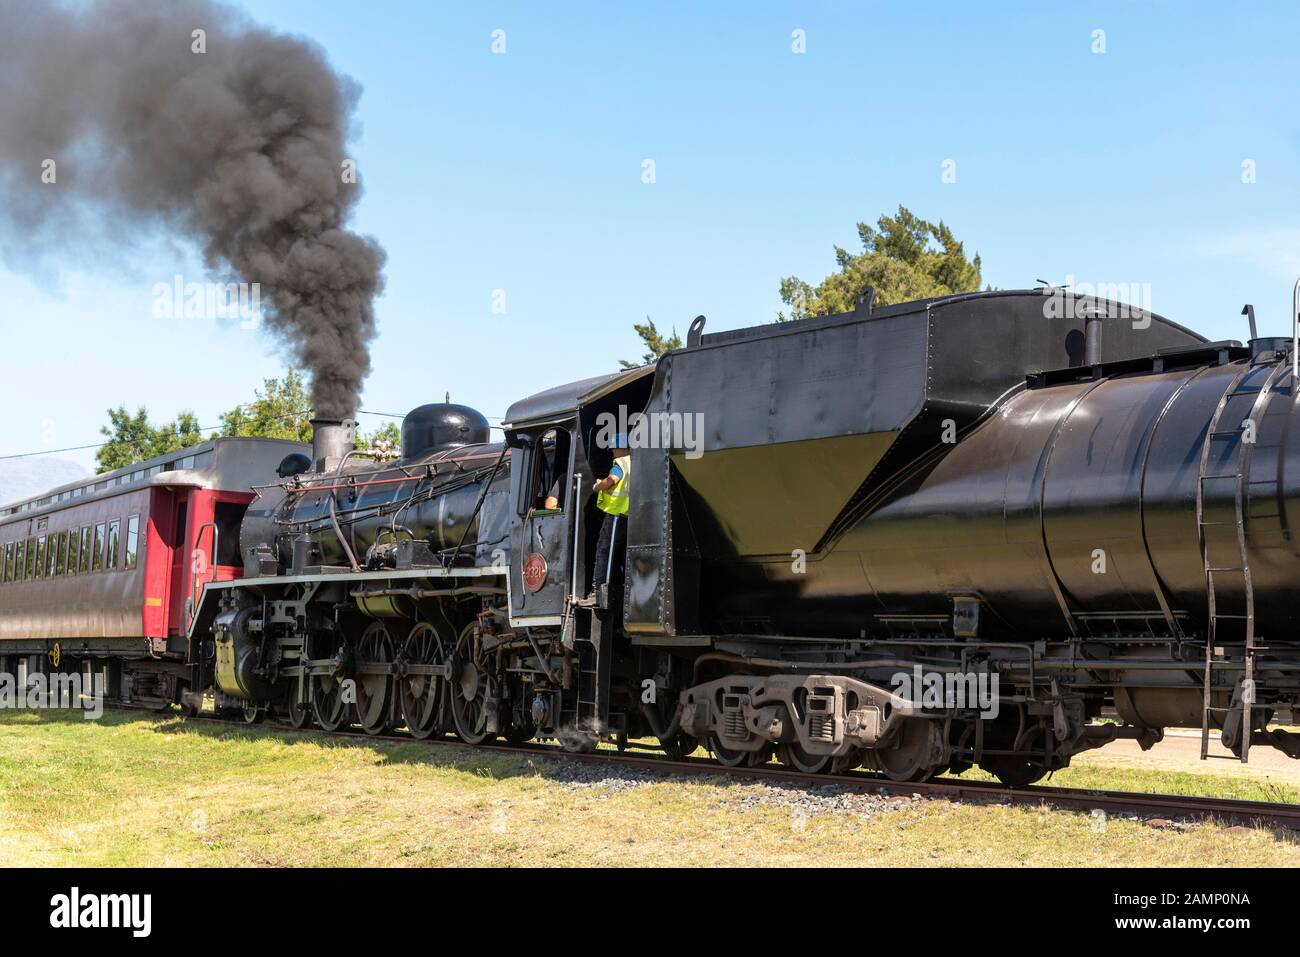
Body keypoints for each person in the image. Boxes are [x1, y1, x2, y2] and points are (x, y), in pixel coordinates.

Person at [590, 434, 631, 602]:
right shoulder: (634, 463)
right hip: (629, 514)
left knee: (603, 550)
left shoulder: (620, 463)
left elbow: (611, 480)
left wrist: (597, 486)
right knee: (623, 552)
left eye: (614, 448)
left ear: (621, 447)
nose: (612, 451)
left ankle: (598, 590)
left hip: (615, 514)